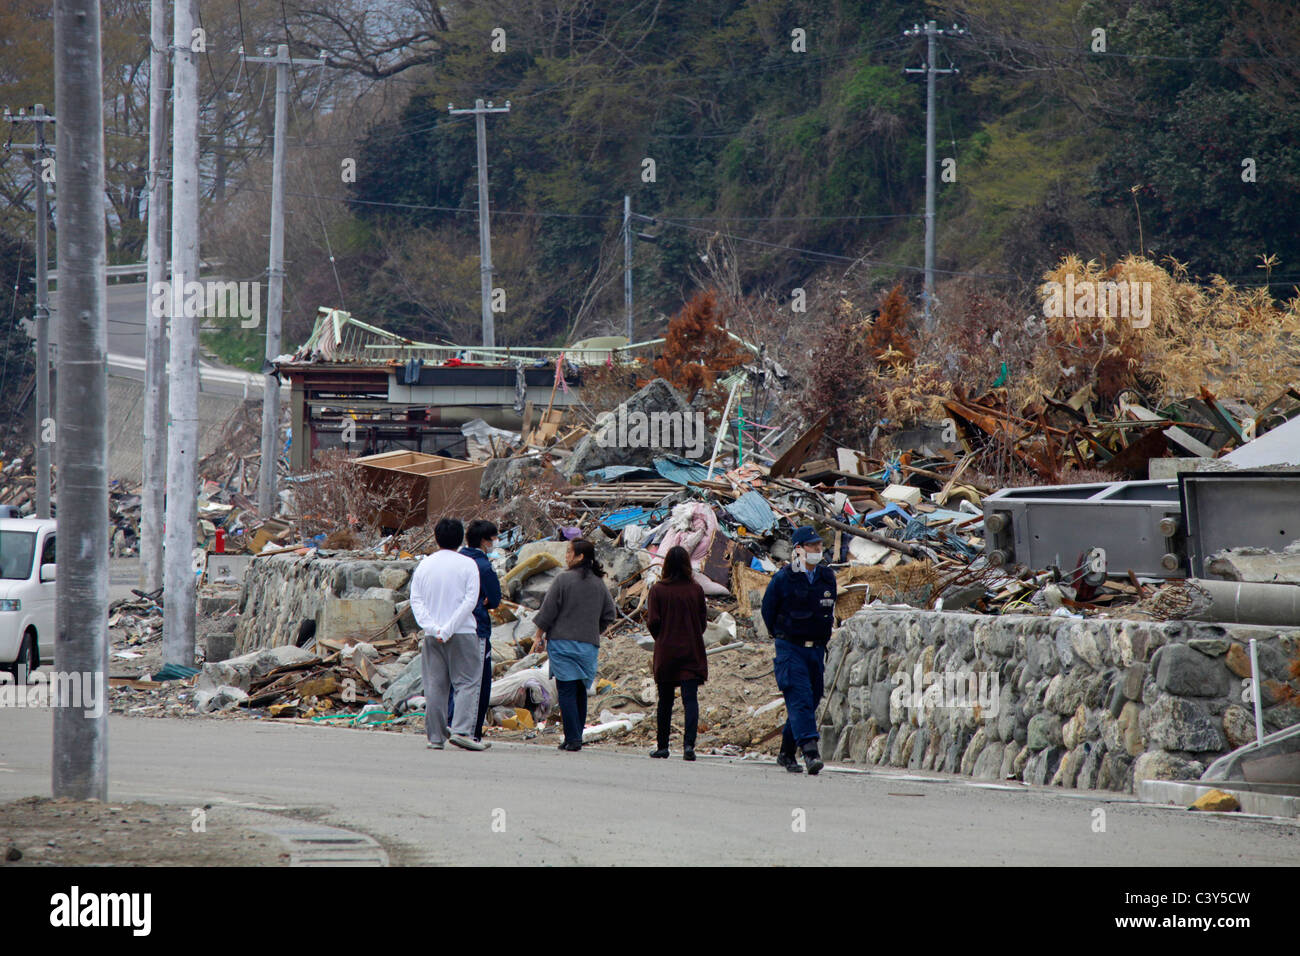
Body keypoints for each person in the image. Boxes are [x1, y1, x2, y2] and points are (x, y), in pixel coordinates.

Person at [761, 525, 837, 775]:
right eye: (813, 545)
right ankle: (810, 751)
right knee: (800, 697)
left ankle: (785, 752)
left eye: (819, 545)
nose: (818, 549)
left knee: (811, 699)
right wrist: (781, 634)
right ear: (798, 549)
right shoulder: (784, 578)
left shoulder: (827, 578)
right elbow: (768, 610)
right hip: (790, 647)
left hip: (815, 649)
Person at [409, 517, 486, 751]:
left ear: (436, 537)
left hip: (433, 635)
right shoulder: (467, 564)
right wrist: (450, 627)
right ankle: (462, 731)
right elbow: (470, 601)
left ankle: (435, 737)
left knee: (435, 685)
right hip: (462, 631)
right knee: (467, 682)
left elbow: (416, 601)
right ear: (461, 538)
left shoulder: (424, 565)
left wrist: (433, 628)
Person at [532, 538, 617, 751]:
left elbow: (547, 612)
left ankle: (572, 738)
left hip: (562, 643)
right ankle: (576, 736)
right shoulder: (599, 583)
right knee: (580, 690)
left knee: (567, 691)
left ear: (580, 557)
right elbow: (610, 614)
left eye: (570, 552)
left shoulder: (563, 580)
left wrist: (538, 636)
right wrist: (593, 629)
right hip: (588, 645)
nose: (566, 555)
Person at [646, 545, 708, 761]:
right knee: (690, 700)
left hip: (666, 653)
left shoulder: (658, 590)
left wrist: (662, 638)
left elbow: (653, 621)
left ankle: (663, 746)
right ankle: (689, 746)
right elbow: (702, 623)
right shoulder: (695, 590)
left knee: (665, 701)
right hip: (691, 651)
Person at [460, 519, 502, 743]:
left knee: (453, 681)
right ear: (485, 540)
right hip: (477, 628)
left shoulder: (456, 561)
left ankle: (451, 724)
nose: (495, 543)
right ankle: (471, 731)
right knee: (477, 681)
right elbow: (494, 599)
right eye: (494, 539)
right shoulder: (483, 566)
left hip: (449, 629)